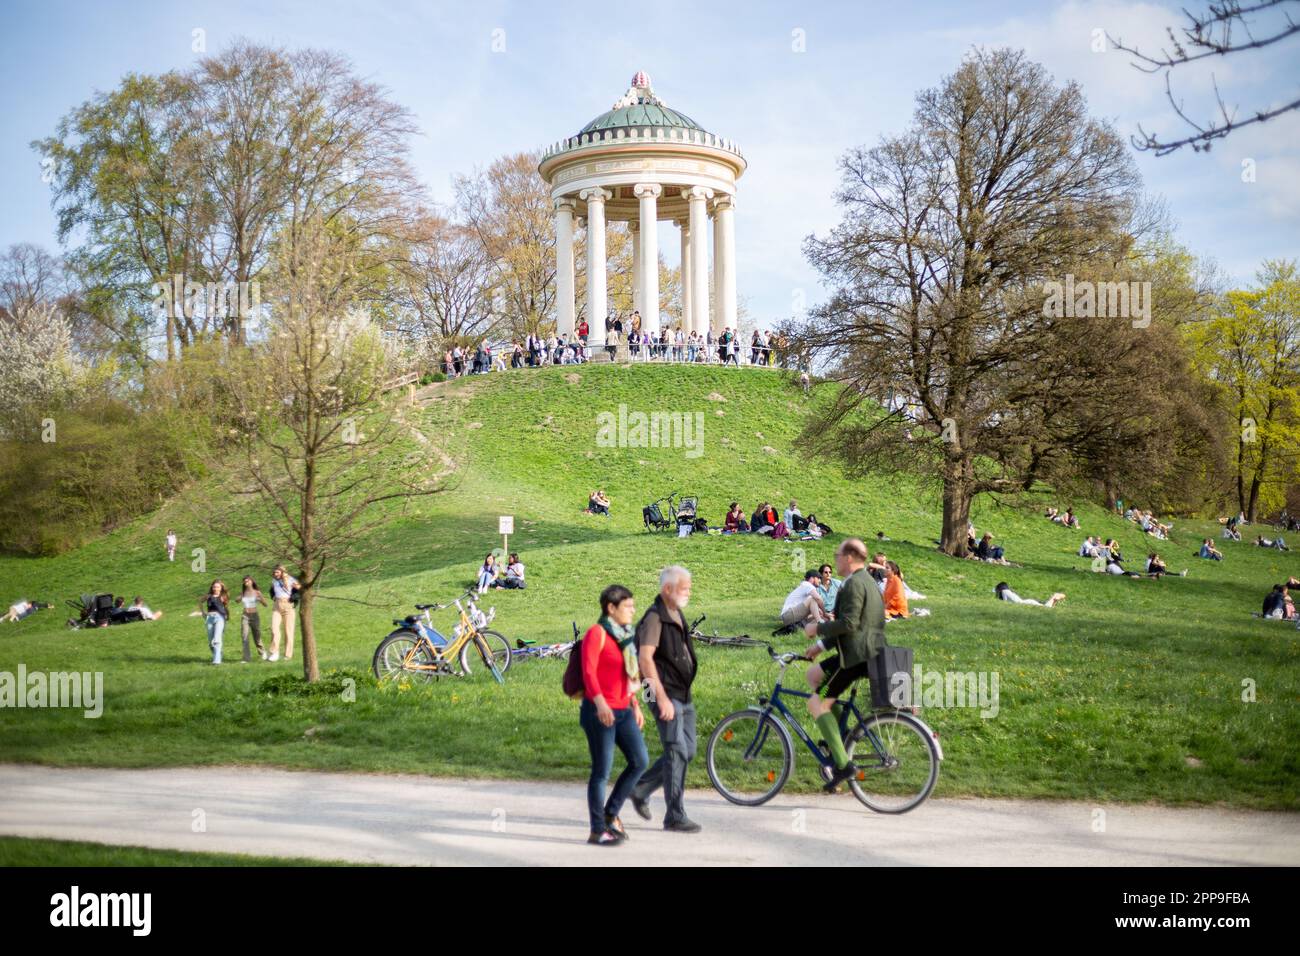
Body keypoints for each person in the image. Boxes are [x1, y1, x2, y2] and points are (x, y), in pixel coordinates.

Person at [803, 539, 884, 791]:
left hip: (854, 658)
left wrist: (817, 627)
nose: (835, 559)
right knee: (814, 675)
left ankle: (842, 764)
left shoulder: (854, 585)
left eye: (837, 555)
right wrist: (821, 646)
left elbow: (848, 624)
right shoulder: (866, 581)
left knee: (817, 701)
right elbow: (854, 624)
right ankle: (843, 733)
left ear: (849, 557)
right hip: (861, 651)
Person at [630, 566, 701, 833]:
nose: (689, 592)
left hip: (681, 692)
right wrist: (661, 699)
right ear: (667, 589)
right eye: (684, 588)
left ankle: (641, 788)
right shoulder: (654, 618)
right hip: (660, 691)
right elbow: (645, 659)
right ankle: (674, 815)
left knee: (688, 749)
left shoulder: (675, 612)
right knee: (676, 750)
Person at [578, 583, 648, 846]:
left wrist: (635, 704)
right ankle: (597, 830)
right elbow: (588, 672)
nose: (632, 610)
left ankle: (611, 813)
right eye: (627, 606)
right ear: (611, 607)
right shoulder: (596, 633)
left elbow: (628, 675)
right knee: (601, 771)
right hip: (599, 712)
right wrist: (600, 704)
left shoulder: (624, 634)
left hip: (623, 709)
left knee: (640, 760)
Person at [268, 565, 299, 661]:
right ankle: (274, 652)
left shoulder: (290, 579)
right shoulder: (274, 581)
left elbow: (299, 588)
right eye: (274, 572)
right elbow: (272, 590)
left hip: (288, 605)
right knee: (274, 628)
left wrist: (288, 581)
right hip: (277, 605)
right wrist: (273, 597)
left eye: (277, 572)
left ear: (282, 572)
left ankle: (287, 655)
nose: (275, 574)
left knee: (288, 631)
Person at [237, 577, 267, 662]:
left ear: (252, 581)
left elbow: (265, 604)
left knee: (257, 635)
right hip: (245, 616)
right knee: (244, 636)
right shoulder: (243, 592)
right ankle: (246, 658)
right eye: (244, 581)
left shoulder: (257, 592)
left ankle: (262, 652)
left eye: (248, 580)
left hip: (254, 616)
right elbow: (237, 600)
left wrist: (260, 599)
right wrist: (239, 597)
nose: (246, 582)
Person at [200, 580, 229, 665]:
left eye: (218, 587)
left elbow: (225, 607)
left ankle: (217, 661)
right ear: (212, 588)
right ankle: (218, 654)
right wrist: (202, 612)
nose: (215, 588)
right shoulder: (208, 596)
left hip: (219, 618)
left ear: (221, 588)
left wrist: (226, 615)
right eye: (214, 587)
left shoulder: (223, 597)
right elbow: (200, 601)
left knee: (217, 640)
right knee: (210, 643)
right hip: (209, 618)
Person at [994, 582, 1065, 607]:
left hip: (1026, 603)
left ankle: (1055, 596)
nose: (997, 593)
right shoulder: (1007, 591)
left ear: (1000, 588)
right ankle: (1055, 599)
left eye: (997, 590)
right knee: (1048, 608)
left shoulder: (1004, 591)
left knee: (1046, 607)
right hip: (1026, 602)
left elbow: (1005, 603)